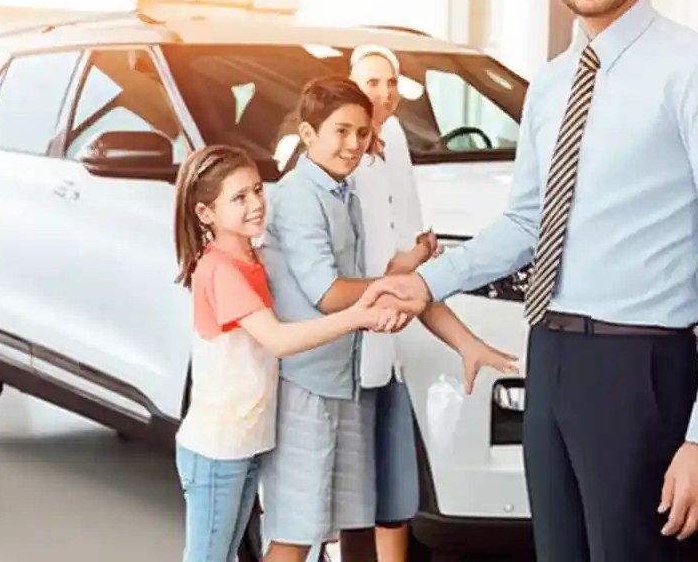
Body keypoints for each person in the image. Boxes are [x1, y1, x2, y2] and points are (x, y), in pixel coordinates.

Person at [367, 0, 698, 562]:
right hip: (548, 356)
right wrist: (429, 282)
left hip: (639, 364)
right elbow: (528, 224)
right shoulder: (551, 85)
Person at [171, 144, 405, 562]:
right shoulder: (220, 270)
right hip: (217, 448)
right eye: (238, 198)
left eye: (257, 190)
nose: (256, 204)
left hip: (246, 442)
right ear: (205, 213)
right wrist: (358, 316)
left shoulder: (254, 260)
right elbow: (277, 340)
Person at [339, 45, 519, 562]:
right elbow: (364, 274)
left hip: (392, 341)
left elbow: (406, 254)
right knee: (345, 497)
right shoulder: (328, 173)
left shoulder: (391, 138)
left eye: (391, 83)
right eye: (372, 82)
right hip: (347, 350)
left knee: (392, 487)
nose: (385, 94)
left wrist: (417, 259)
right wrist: (415, 257)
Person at [258, 76, 416, 562]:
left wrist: (403, 274)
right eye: (341, 132)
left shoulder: (343, 192)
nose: (353, 145)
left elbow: (358, 281)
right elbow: (327, 293)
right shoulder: (300, 198)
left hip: (343, 379)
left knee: (349, 525)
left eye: (362, 134)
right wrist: (392, 293)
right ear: (308, 135)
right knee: (295, 531)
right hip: (305, 384)